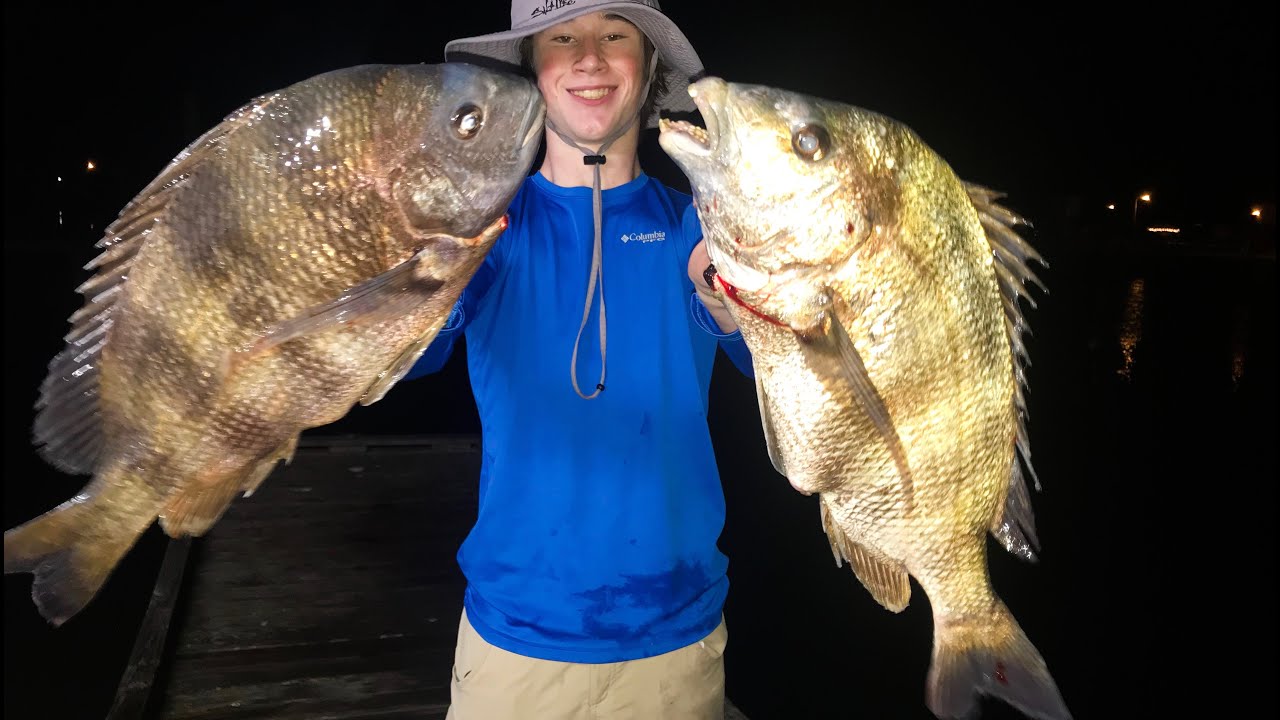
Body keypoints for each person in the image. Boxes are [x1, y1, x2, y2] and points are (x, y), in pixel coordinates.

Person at [400, 1, 753, 717]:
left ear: (648, 67)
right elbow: (396, 365)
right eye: (562, 39)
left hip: (675, 646)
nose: (589, 58)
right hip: (513, 649)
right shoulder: (482, 227)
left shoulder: (701, 223)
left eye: (614, 37)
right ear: (533, 71)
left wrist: (728, 298)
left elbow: (785, 367)